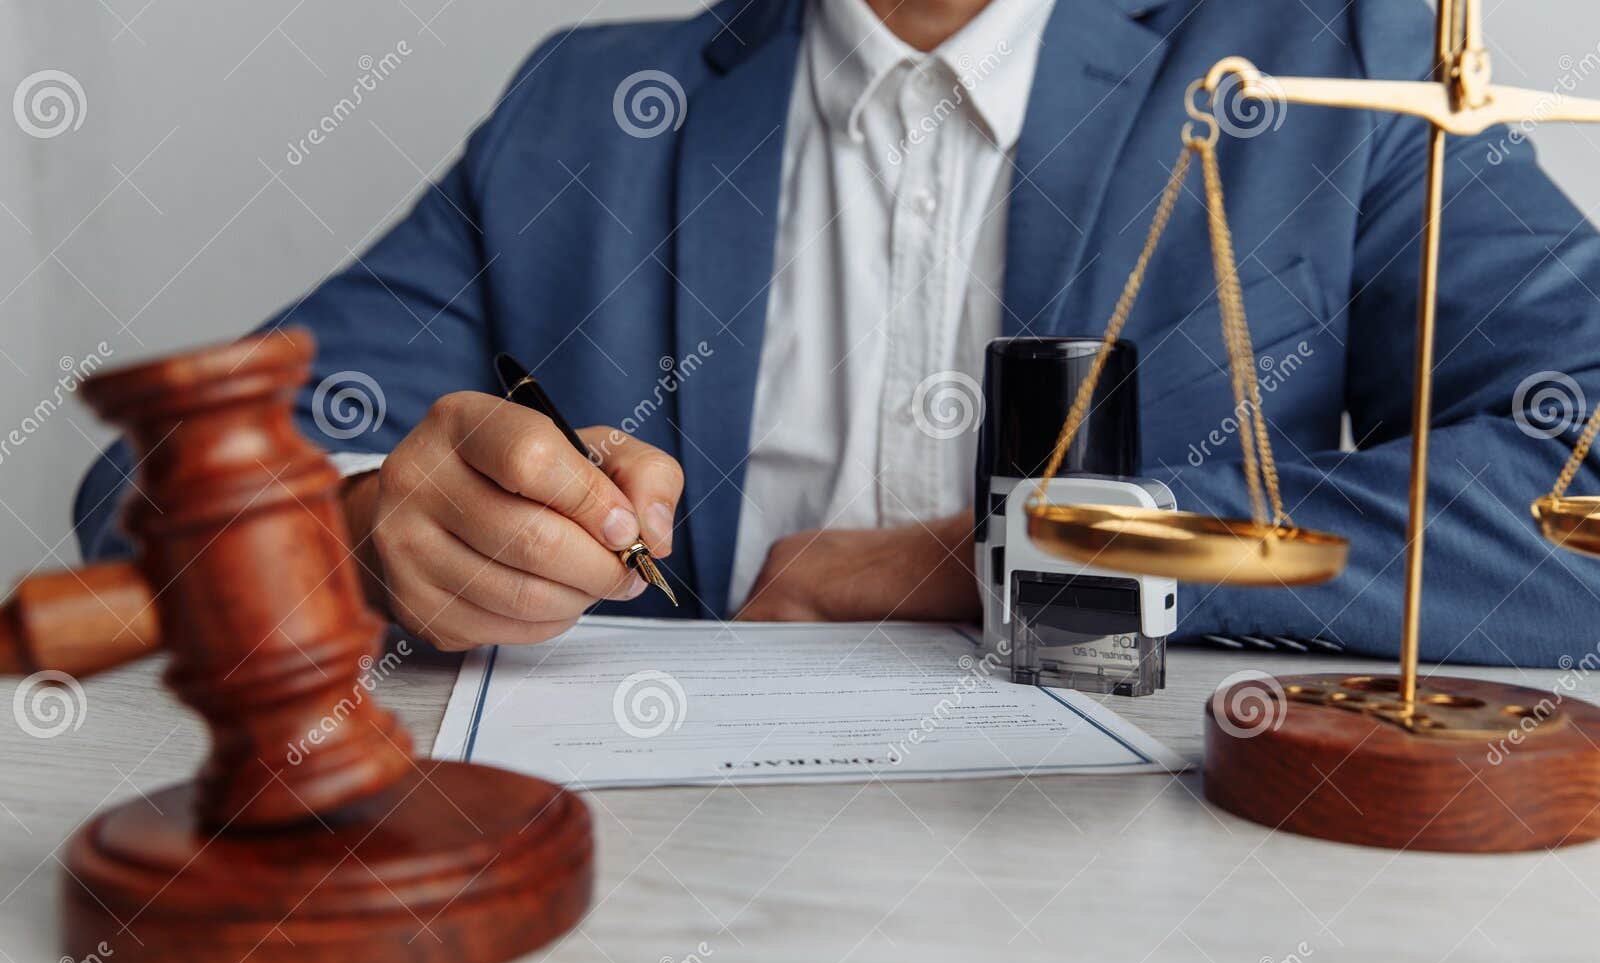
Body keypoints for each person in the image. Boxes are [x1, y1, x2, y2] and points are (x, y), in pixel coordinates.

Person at [75, 0, 1600, 665]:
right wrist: (360, 530)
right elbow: (149, 489)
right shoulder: (583, 115)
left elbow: (1580, 473)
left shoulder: (1342, 71)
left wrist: (1003, 560)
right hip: (658, 946)